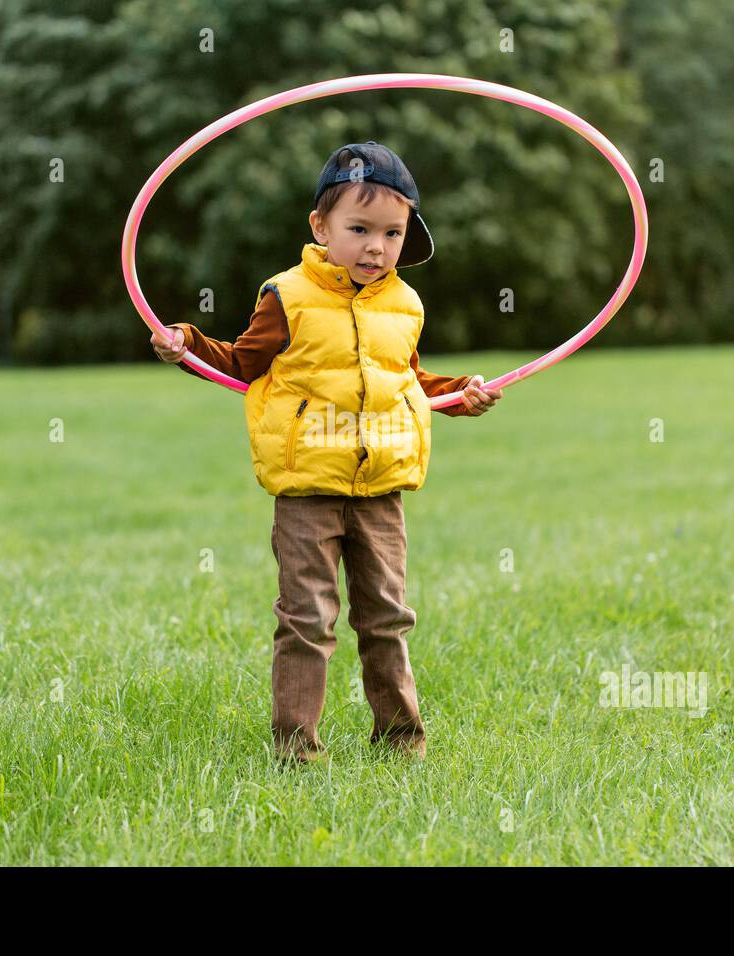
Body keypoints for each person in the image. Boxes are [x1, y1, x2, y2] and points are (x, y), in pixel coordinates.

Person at [151, 141, 501, 763]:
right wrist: (187, 343)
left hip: (379, 492)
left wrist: (459, 394)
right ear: (320, 226)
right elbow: (240, 362)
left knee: (388, 616)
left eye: (393, 234)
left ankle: (402, 742)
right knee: (307, 620)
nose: (377, 248)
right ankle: (296, 749)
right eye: (360, 229)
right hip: (308, 488)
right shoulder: (287, 297)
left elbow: (407, 382)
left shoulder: (405, 305)